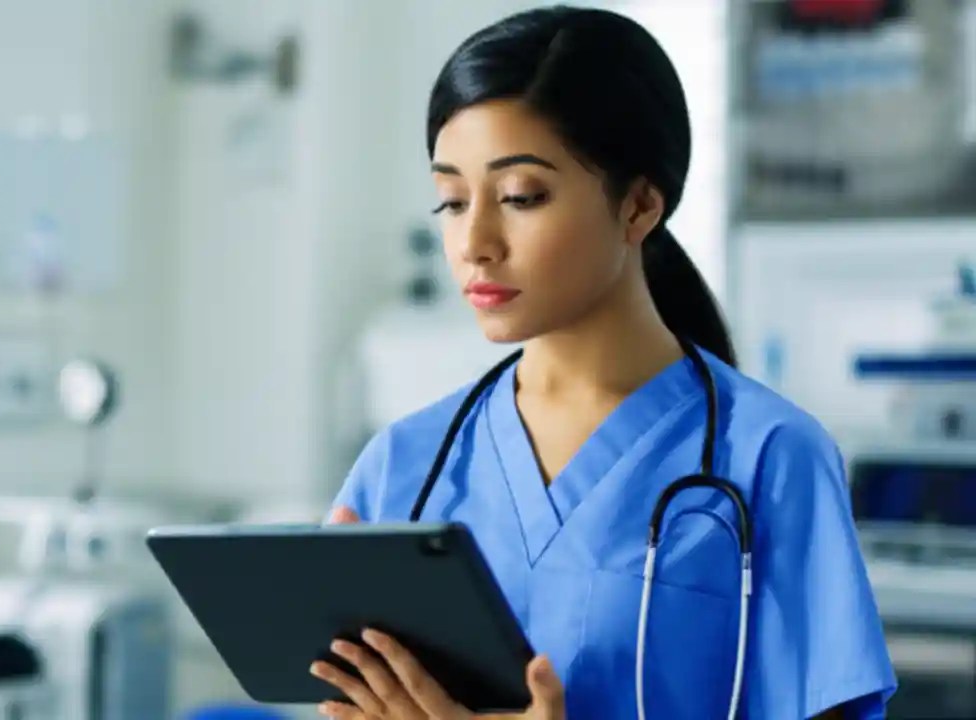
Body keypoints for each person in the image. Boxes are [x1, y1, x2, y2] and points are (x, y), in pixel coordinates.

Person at [309, 6, 897, 720]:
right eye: (452, 202)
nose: (476, 242)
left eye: (522, 196)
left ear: (640, 205)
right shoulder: (403, 466)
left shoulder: (770, 458)